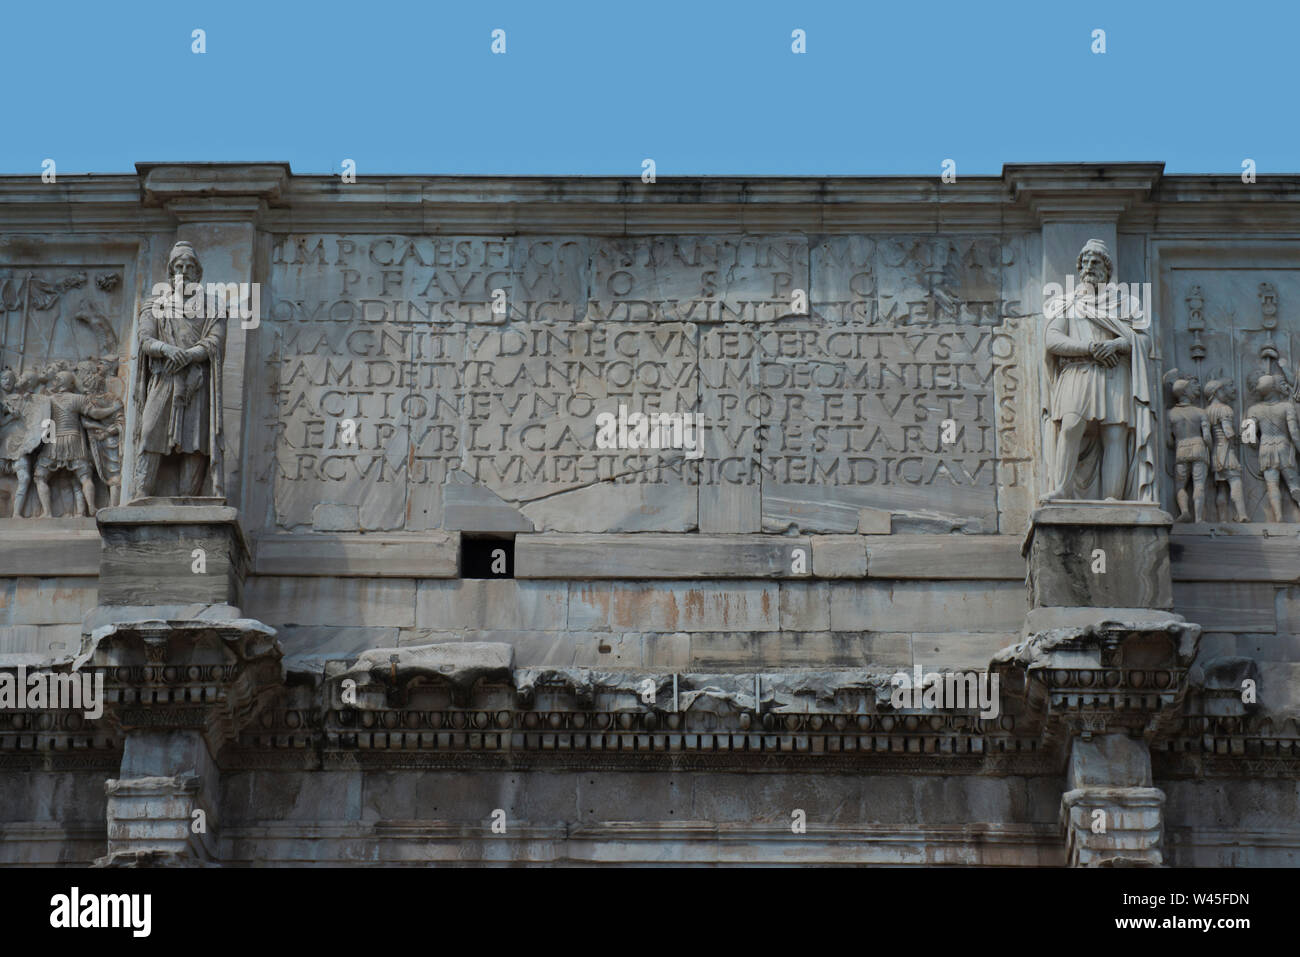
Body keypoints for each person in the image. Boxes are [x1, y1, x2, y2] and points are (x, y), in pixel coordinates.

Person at [1042, 239, 1158, 502]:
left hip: (1115, 373)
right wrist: (1090, 347)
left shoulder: (1125, 303)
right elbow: (1052, 339)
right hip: (1078, 372)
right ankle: (1062, 488)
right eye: (1085, 262)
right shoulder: (1067, 303)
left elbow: (1144, 339)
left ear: (1107, 269)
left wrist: (1118, 343)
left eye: (1095, 262)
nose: (1089, 266)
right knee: (1070, 427)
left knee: (1114, 434)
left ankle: (1113, 498)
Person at [132, 241, 226, 499]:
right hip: (165, 377)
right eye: (178, 267)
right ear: (171, 273)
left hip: (196, 379)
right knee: (150, 431)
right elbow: (145, 339)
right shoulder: (154, 305)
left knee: (195, 442)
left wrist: (189, 355)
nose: (184, 271)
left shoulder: (213, 306)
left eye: (189, 267)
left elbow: (215, 341)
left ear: (198, 273)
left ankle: (188, 499)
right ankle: (142, 493)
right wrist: (167, 350)